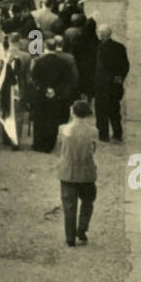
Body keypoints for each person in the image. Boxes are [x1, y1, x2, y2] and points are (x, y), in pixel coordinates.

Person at [56, 99, 98, 247]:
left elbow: (60, 149)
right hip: (87, 172)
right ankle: (82, 229)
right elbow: (93, 150)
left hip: (67, 172)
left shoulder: (63, 129)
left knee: (69, 206)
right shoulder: (93, 131)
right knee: (88, 202)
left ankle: (70, 237)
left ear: (72, 112)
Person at [94, 25, 129, 142]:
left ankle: (103, 135)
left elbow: (100, 68)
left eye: (99, 32)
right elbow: (125, 66)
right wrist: (119, 78)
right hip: (115, 84)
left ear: (103, 34)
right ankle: (117, 133)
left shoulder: (100, 48)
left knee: (101, 111)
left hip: (103, 85)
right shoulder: (120, 47)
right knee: (115, 110)